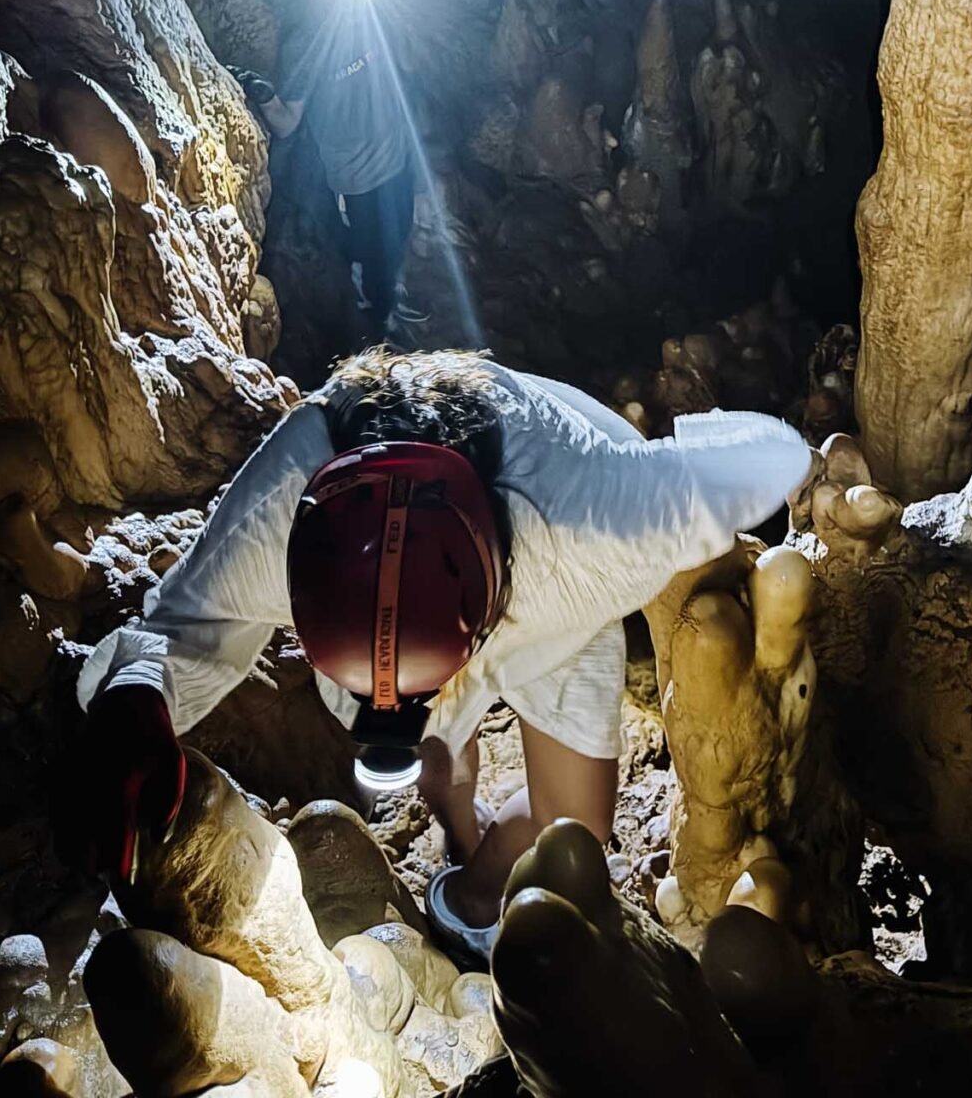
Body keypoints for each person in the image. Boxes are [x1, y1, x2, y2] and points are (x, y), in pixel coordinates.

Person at [78, 348, 812, 960]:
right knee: (421, 753)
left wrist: (683, 459)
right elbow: (173, 629)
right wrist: (137, 700)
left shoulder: (596, 527)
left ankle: (471, 877)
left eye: (431, 687)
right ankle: (455, 819)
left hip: (553, 585)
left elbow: (775, 457)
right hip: (483, 552)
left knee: (574, 843)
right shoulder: (276, 524)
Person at [239, 0, 414, 324]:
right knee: (371, 253)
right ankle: (377, 317)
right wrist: (264, 97)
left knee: (399, 235)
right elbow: (287, 125)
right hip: (356, 178)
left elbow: (403, 64)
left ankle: (389, 295)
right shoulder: (306, 45)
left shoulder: (373, 14)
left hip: (399, 156)